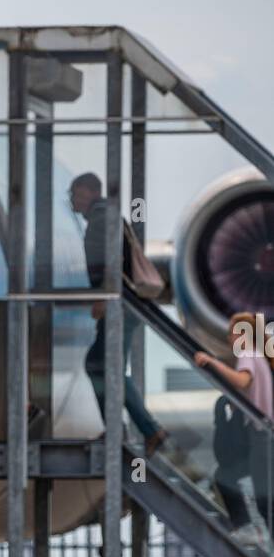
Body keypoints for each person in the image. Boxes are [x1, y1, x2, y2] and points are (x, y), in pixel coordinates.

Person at [69, 172, 167, 456]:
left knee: (104, 366)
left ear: (87, 192)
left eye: (74, 193)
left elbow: (109, 262)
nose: (72, 200)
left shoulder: (101, 221)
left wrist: (103, 295)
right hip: (124, 306)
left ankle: (145, 429)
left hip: (119, 306)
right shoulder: (109, 218)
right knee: (101, 365)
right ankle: (127, 429)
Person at [197, 313, 274, 544]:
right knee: (226, 476)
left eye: (232, 332)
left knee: (264, 498)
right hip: (260, 434)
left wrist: (212, 362)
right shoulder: (259, 355)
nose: (229, 337)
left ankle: (250, 529)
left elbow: (243, 380)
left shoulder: (248, 353)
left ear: (243, 334)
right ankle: (249, 527)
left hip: (261, 436)